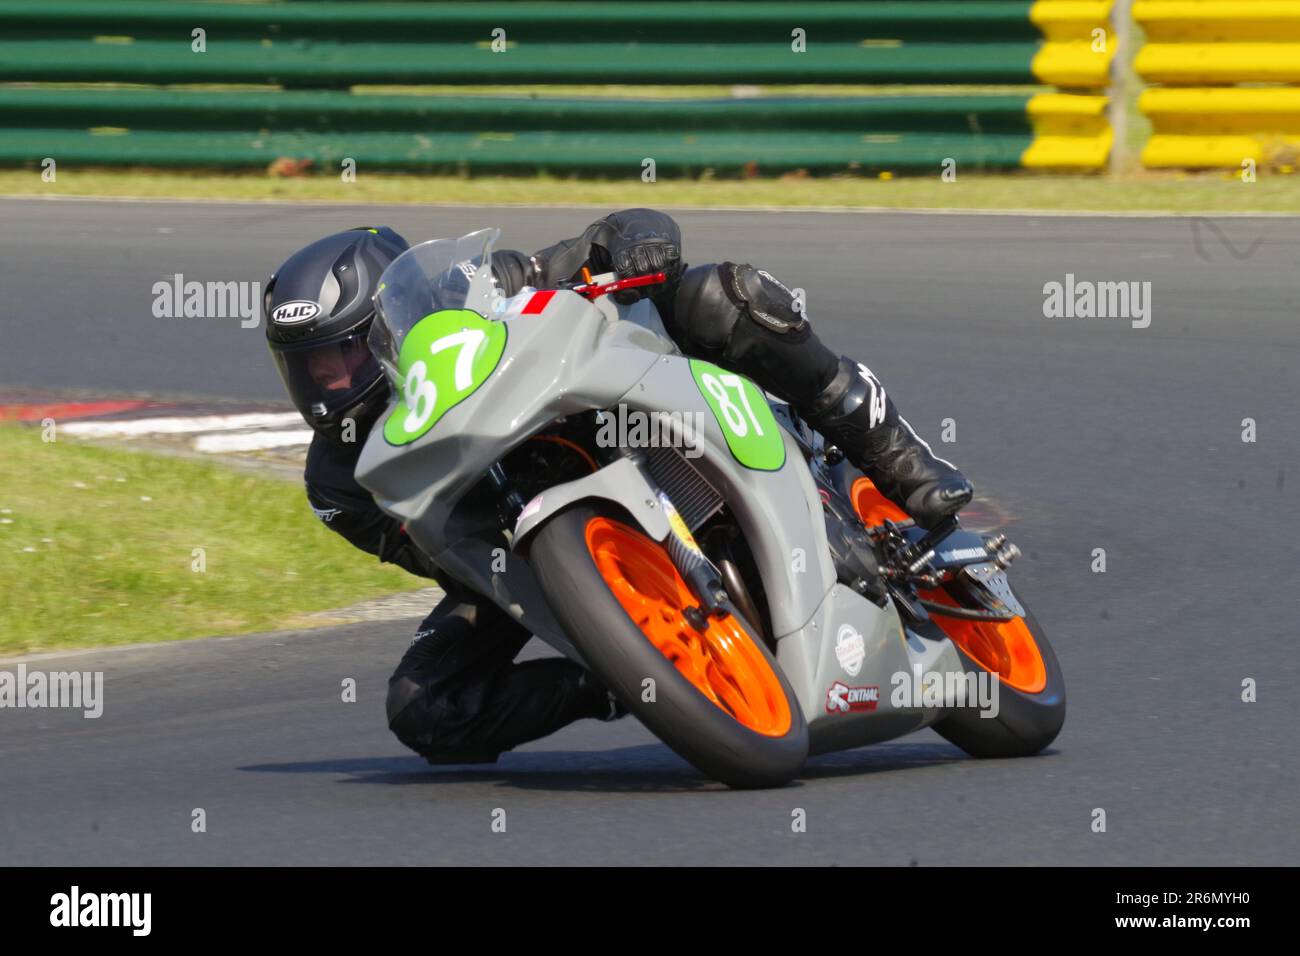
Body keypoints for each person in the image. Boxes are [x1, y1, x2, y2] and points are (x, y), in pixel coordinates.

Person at [263, 211, 972, 765]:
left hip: (626, 420)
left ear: (389, 325)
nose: (328, 385)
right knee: (422, 707)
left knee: (720, 294)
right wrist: (604, 636)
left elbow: (618, 230)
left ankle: (898, 458)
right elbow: (445, 559)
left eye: (343, 357)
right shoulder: (339, 481)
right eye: (309, 368)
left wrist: (638, 247)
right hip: (513, 546)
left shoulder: (483, 286)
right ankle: (628, 677)